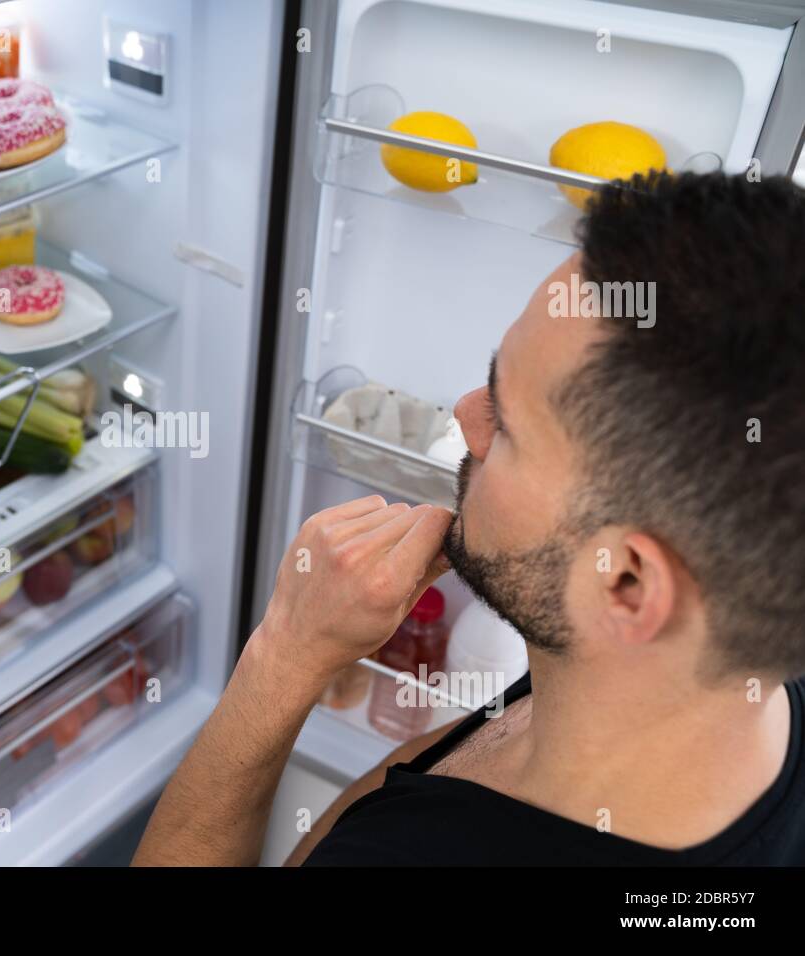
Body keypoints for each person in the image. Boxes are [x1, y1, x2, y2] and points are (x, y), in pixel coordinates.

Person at [132, 172, 805, 866]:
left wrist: (284, 656)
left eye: (507, 424)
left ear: (628, 584)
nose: (465, 415)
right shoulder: (721, 688)